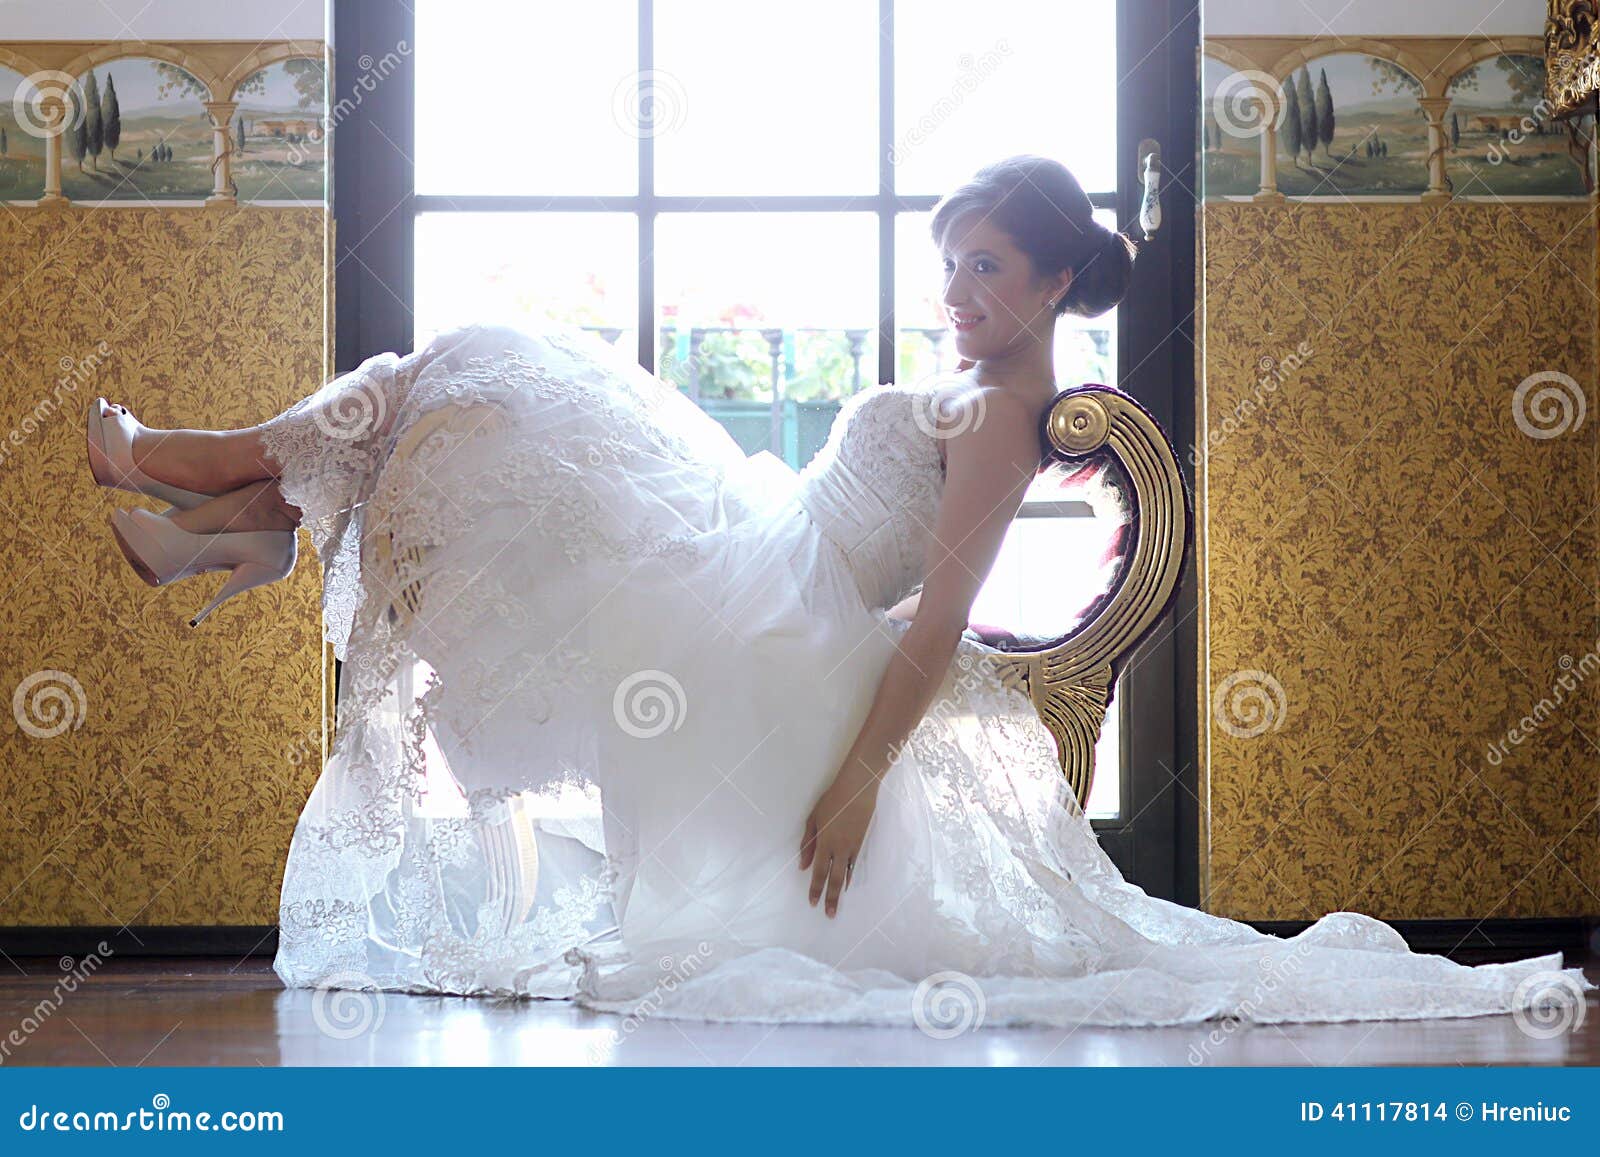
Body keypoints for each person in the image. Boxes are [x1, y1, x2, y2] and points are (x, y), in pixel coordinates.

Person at [84, 155, 1594, 1029]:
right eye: (951, 267)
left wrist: (860, 778)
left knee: (479, 380)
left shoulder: (1007, 416)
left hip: (761, 612)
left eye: (988, 269)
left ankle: (221, 500)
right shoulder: (977, 381)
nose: (959, 295)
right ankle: (238, 517)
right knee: (475, 382)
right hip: (750, 539)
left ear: (1057, 281)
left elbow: (937, 620)